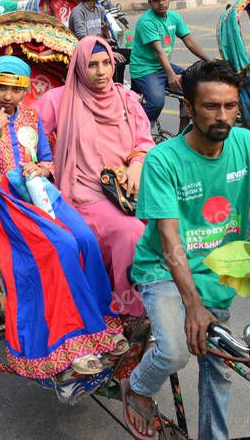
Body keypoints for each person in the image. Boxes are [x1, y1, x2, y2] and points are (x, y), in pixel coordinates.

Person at [123, 60, 250, 440]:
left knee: (220, 359)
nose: (223, 116)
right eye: (211, 106)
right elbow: (169, 239)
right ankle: (138, 385)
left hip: (218, 269)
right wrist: (193, 304)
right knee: (175, 352)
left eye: (230, 106)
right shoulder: (164, 160)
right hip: (163, 267)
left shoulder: (246, 144)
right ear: (189, 107)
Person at [0, 54, 125, 378]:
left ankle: (100, 324)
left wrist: (40, 168)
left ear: (25, 91)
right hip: (5, 201)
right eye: (1, 88)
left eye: (16, 90)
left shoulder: (30, 116)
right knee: (62, 244)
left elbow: (49, 160)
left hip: (40, 192)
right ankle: (71, 339)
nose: (8, 96)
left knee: (85, 239)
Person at [39, 36, 155, 318]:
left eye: (106, 63)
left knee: (171, 226)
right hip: (85, 191)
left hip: (130, 187)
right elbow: (26, 134)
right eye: (92, 65)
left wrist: (137, 164)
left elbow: (145, 140)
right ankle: (130, 310)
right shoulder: (59, 100)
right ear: (79, 67)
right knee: (130, 232)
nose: (101, 71)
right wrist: (44, 165)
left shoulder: (126, 99)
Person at [129, 0, 211, 123]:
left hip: (163, 66)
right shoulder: (146, 22)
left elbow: (189, 42)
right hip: (144, 69)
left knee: (191, 88)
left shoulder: (174, 17)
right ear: (150, 2)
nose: (161, 3)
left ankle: (183, 132)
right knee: (156, 103)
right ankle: (135, 128)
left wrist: (209, 61)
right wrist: (171, 74)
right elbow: (159, 52)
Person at [69, 0, 129, 83]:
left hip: (100, 46)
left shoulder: (100, 9)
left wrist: (106, 36)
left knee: (136, 55)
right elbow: (83, 38)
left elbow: (101, 33)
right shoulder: (78, 12)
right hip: (86, 50)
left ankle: (135, 88)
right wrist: (108, 51)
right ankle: (115, 89)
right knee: (116, 61)